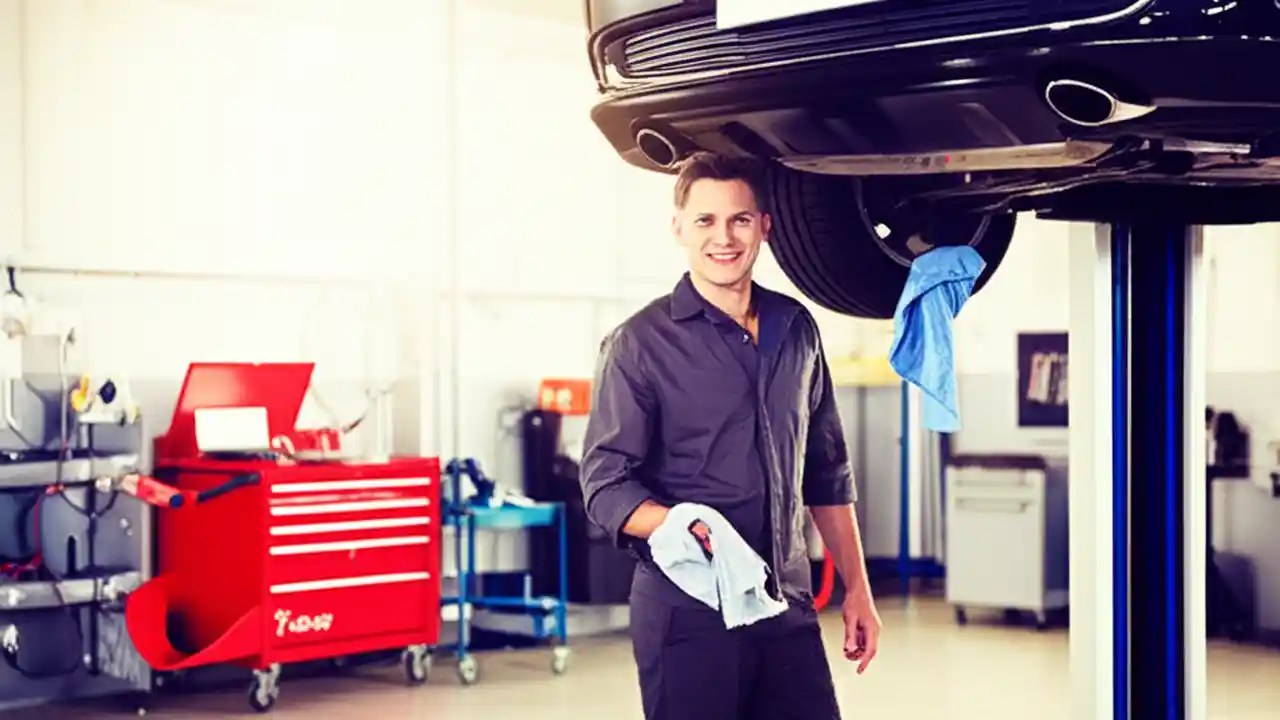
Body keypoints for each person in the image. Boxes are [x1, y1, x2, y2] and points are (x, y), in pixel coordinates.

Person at [579, 151, 881, 720]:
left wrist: (858, 589)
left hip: (784, 607)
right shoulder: (640, 344)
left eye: (740, 219)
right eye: (705, 221)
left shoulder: (796, 328)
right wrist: (675, 523)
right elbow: (604, 484)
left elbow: (826, 472)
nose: (724, 237)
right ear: (679, 229)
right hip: (690, 612)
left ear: (764, 226)